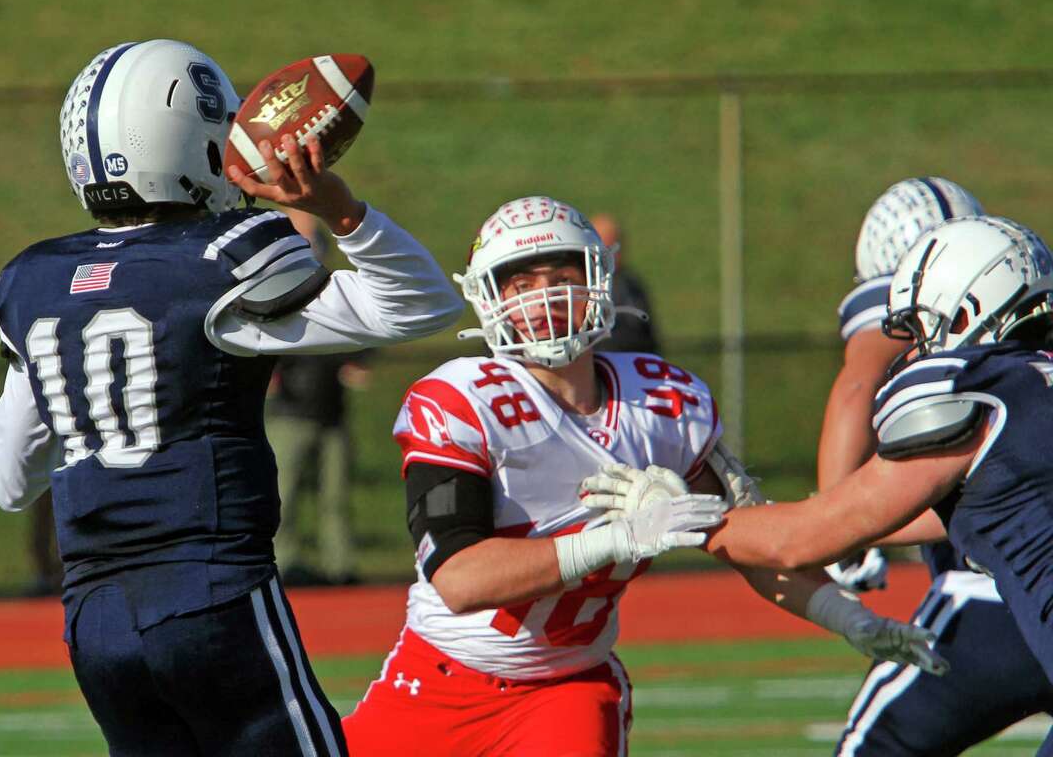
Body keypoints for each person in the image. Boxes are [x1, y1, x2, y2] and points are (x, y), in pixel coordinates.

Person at [0, 39, 462, 757]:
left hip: (94, 618)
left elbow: (9, 482)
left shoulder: (35, 280)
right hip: (208, 591)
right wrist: (337, 207)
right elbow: (423, 306)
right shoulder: (221, 258)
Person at [342, 196, 941, 757]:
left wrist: (849, 618)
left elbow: (747, 542)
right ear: (489, 297)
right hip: (436, 677)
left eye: (560, 278)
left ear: (597, 279)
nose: (542, 299)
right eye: (520, 284)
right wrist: (615, 539)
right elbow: (459, 577)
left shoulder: (662, 404)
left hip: (564, 688)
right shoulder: (463, 400)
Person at [588, 215, 1053, 755]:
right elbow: (961, 509)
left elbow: (805, 539)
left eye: (924, 323)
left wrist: (680, 518)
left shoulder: (979, 395)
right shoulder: (1034, 389)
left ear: (968, 311)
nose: (917, 345)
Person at [817, 179, 1053, 755]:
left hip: (993, 593)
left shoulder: (932, 310)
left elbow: (855, 385)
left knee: (876, 745)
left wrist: (839, 526)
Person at [267, 210, 368, 586]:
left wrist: (357, 363)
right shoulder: (277, 292)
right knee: (284, 496)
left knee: (335, 498)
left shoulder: (337, 294)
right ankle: (283, 562)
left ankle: (340, 566)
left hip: (331, 413)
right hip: (291, 412)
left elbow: (359, 339)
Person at [589, 213, 662, 354]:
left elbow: (650, 335)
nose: (612, 254)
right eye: (605, 246)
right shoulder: (583, 289)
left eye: (615, 246)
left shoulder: (631, 285)